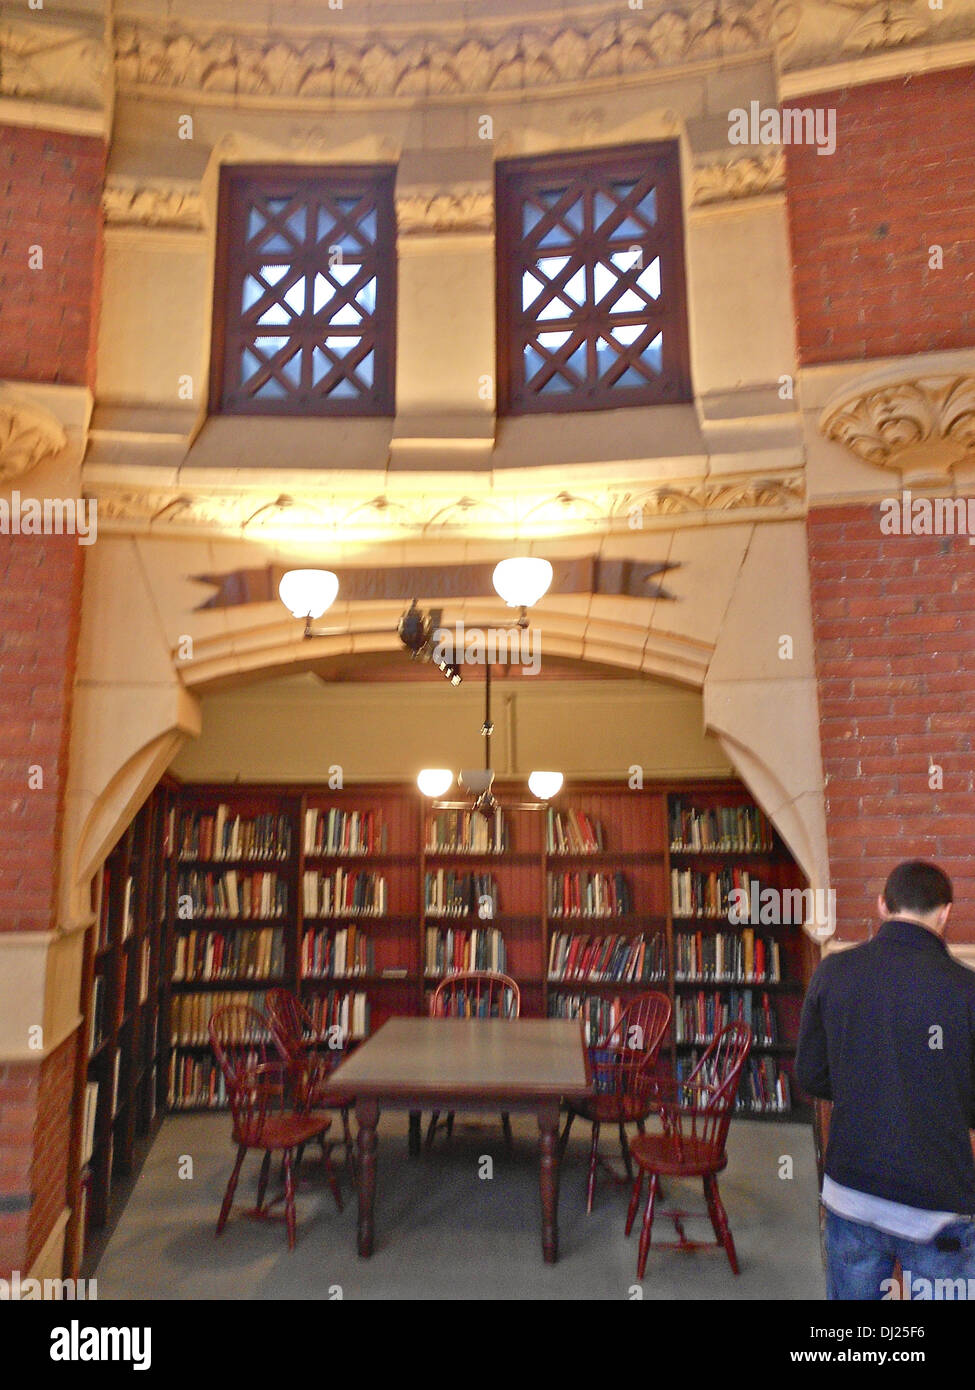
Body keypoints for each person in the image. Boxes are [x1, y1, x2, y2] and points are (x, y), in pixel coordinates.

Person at [796, 860, 975, 1300]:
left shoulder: (832, 973)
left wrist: (868, 1084)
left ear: (881, 906)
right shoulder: (967, 990)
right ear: (945, 912)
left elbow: (811, 1074)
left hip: (850, 1193)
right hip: (938, 1206)